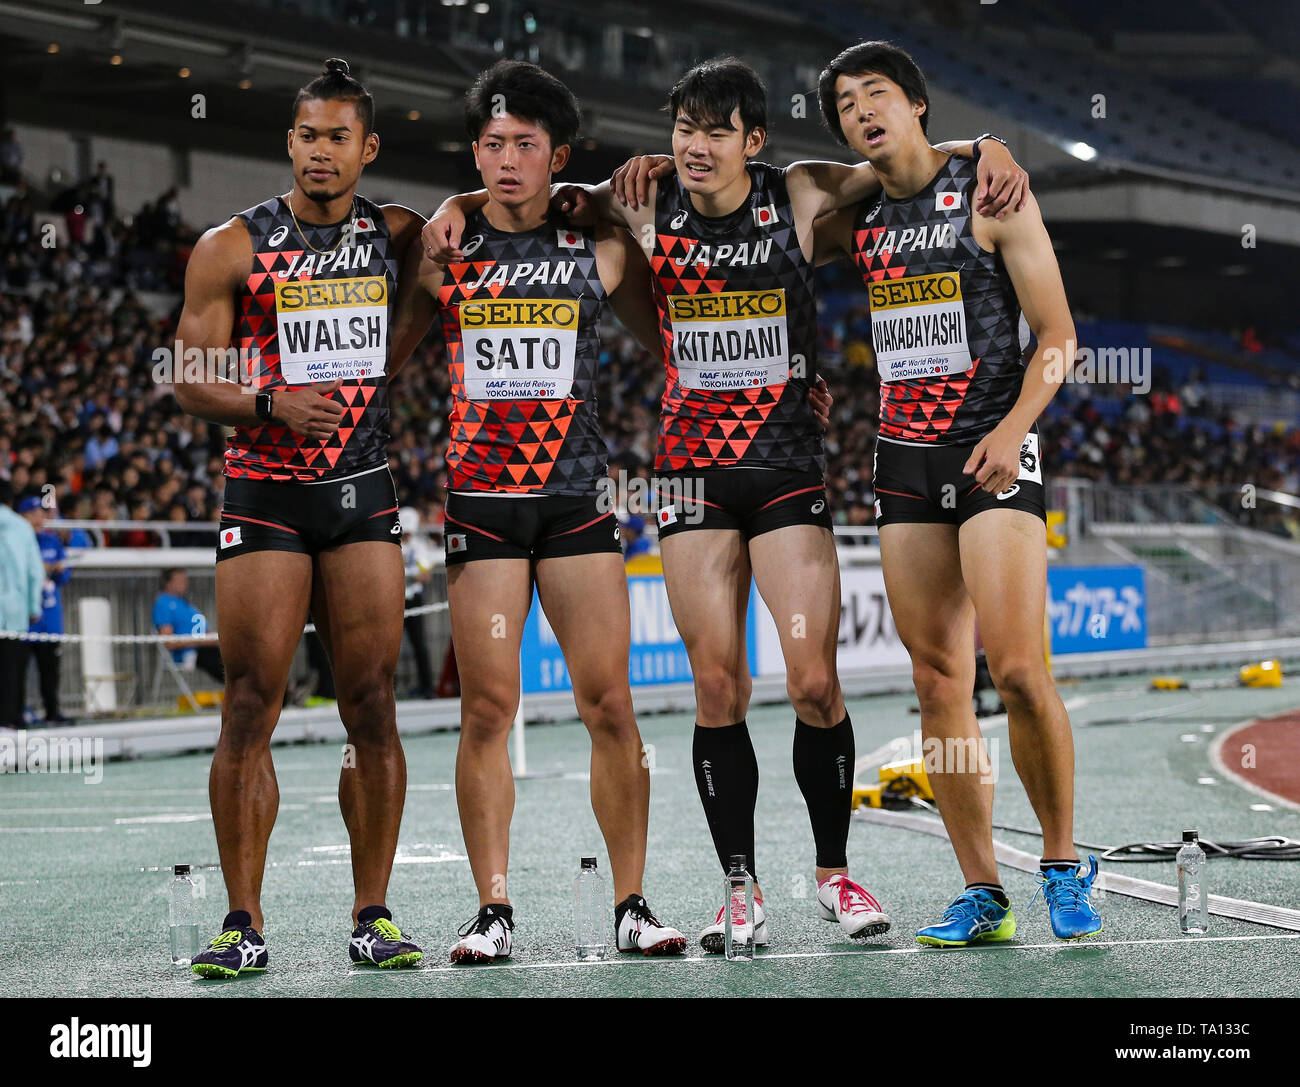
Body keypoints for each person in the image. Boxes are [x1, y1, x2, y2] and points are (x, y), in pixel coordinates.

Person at [422, 55, 1027, 952]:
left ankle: (834, 875)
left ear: (753, 138)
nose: (695, 146)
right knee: (717, 686)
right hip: (690, 476)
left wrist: (988, 143)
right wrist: (451, 206)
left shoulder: (806, 196)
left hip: (786, 470)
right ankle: (737, 889)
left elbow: (907, 159)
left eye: (716, 131)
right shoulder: (635, 201)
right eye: (684, 130)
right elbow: (522, 191)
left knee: (814, 682)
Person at [390, 59, 687, 962]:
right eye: (490, 144)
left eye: (525, 144)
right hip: (482, 508)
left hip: (576, 505)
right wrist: (452, 211)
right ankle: (493, 908)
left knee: (610, 704)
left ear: (559, 153)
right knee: (488, 711)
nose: (506, 159)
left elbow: (675, 335)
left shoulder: (600, 245)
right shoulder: (445, 250)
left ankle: (632, 903)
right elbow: (392, 354)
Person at [813, 40, 1101, 944]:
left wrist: (1015, 428)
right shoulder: (857, 211)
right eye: (848, 104)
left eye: (879, 94)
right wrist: (984, 137)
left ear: (917, 104)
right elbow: (772, 193)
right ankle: (982, 887)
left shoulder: (991, 195)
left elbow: (1058, 336)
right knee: (937, 681)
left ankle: (1061, 859)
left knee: (1016, 668)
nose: (864, 110)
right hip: (903, 463)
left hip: (995, 454)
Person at [173, 58, 426, 977]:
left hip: (362, 489)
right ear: (290, 142)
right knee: (249, 704)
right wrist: (268, 403)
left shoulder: (398, 233)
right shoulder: (230, 246)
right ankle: (244, 922)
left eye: (338, 138)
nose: (322, 153)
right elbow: (186, 377)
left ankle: (374, 913)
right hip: (267, 492)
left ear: (368, 147)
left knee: (372, 704)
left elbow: (489, 225)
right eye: (307, 136)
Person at [19, 496, 73, 724]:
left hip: (49, 619)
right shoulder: (15, 541)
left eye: (42, 514)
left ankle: (52, 711)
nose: (39, 519)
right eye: (34, 514)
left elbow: (65, 574)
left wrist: (56, 570)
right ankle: (18, 712)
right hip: (23, 620)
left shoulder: (52, 542)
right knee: (17, 671)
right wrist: (41, 570)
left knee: (50, 670)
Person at [0, 479, 43, 728]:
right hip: (15, 612)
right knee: (14, 668)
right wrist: (33, 607)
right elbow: (34, 572)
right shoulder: (22, 527)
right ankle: (13, 720)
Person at [152, 567, 223, 684]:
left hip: (208, 646)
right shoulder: (163, 604)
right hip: (192, 652)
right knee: (230, 669)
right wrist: (202, 641)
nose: (185, 584)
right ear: (168, 583)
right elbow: (169, 642)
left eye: (185, 580)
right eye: (179, 580)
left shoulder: (184, 603)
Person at [397, 506, 436, 700]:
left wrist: (408, 575)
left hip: (413, 600)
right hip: (394, 599)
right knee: (389, 647)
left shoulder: (419, 546)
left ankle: (427, 687)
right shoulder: (393, 544)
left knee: (420, 644)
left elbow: (425, 574)